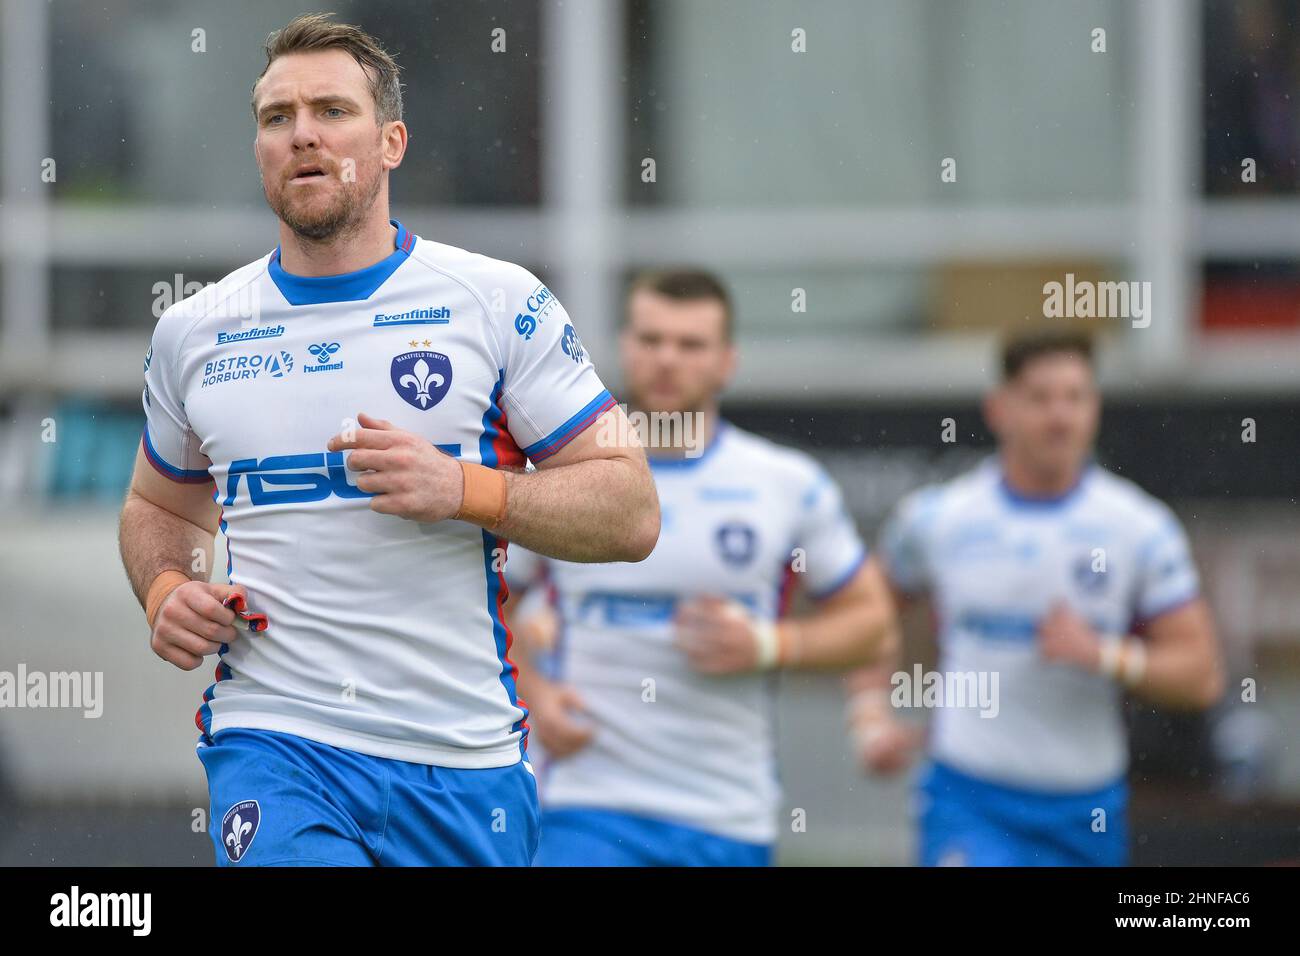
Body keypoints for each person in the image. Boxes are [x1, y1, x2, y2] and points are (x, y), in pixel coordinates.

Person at [116, 14, 658, 867]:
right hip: (276, 741)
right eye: (276, 117)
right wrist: (166, 590)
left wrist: (465, 490)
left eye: (332, 111)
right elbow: (159, 505)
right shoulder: (194, 331)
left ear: (392, 141)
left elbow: (631, 511)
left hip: (462, 765)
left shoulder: (495, 300)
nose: (302, 135)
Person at [506, 269, 897, 866]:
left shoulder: (784, 484)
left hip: (725, 815)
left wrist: (770, 644)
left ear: (726, 361)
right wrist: (530, 692)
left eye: (690, 345)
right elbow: (486, 599)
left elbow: (873, 623)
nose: (668, 359)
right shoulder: (566, 481)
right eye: (652, 339)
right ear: (625, 346)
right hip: (583, 803)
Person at [847, 330, 1224, 866]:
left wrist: (1105, 655)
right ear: (999, 408)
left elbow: (1201, 675)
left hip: (1085, 809)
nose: (1060, 416)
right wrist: (868, 715)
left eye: (1076, 397)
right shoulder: (940, 518)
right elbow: (865, 611)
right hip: (969, 796)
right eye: (1040, 398)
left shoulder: (1139, 528)